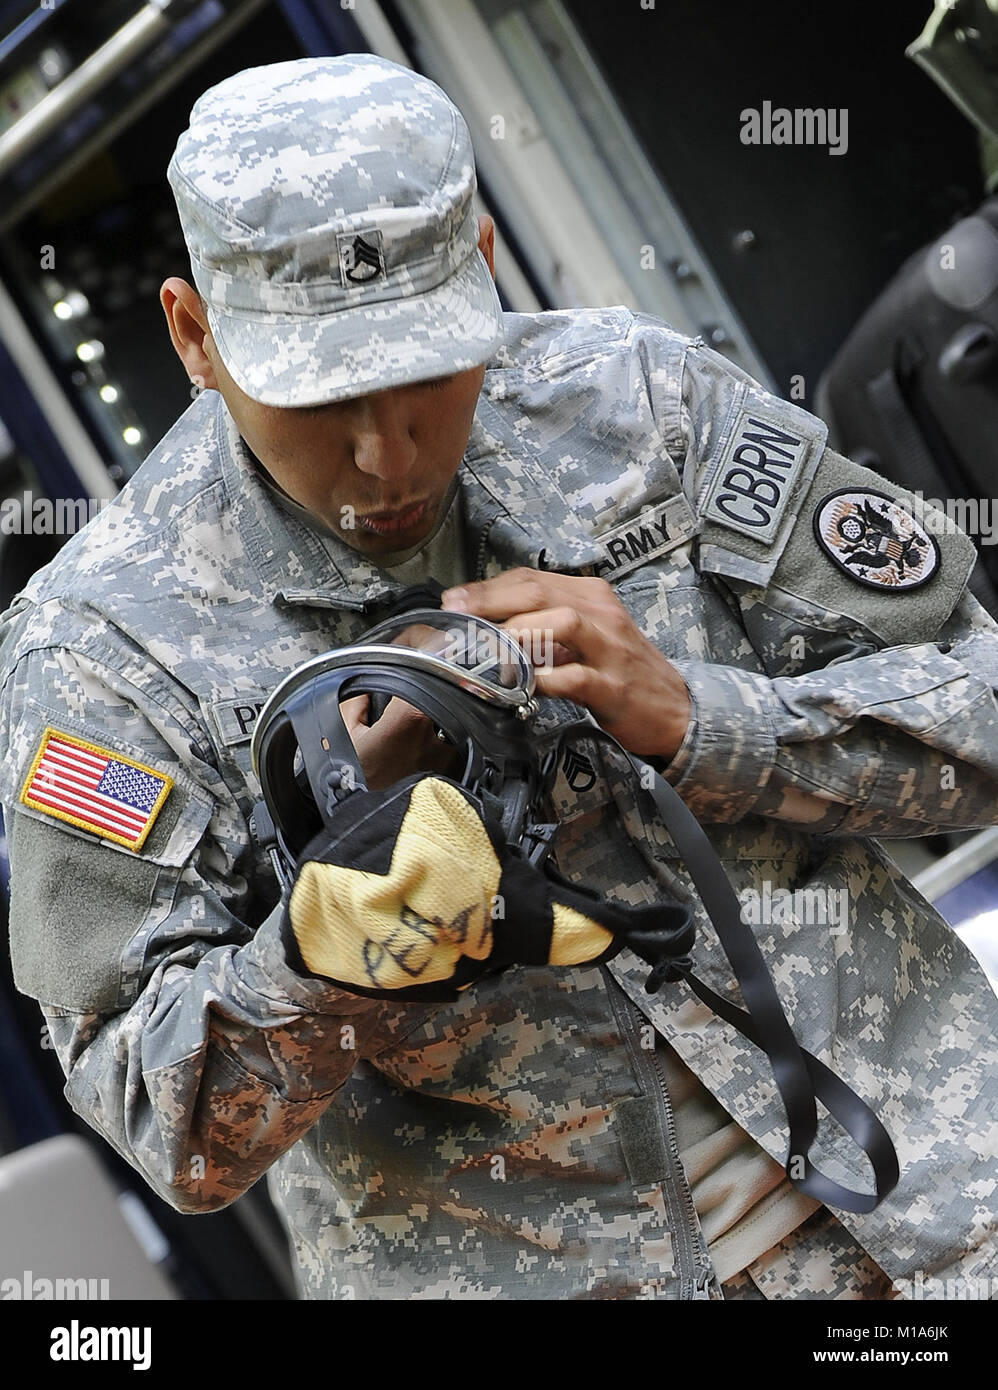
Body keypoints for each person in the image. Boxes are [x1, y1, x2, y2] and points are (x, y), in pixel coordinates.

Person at [1, 53, 997, 1302]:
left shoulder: (637, 406)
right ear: (194, 336)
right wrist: (329, 937)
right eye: (321, 397)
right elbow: (166, 1124)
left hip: (947, 1213)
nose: (385, 454)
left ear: (478, 256)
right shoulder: (102, 653)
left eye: (424, 370)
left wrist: (709, 724)